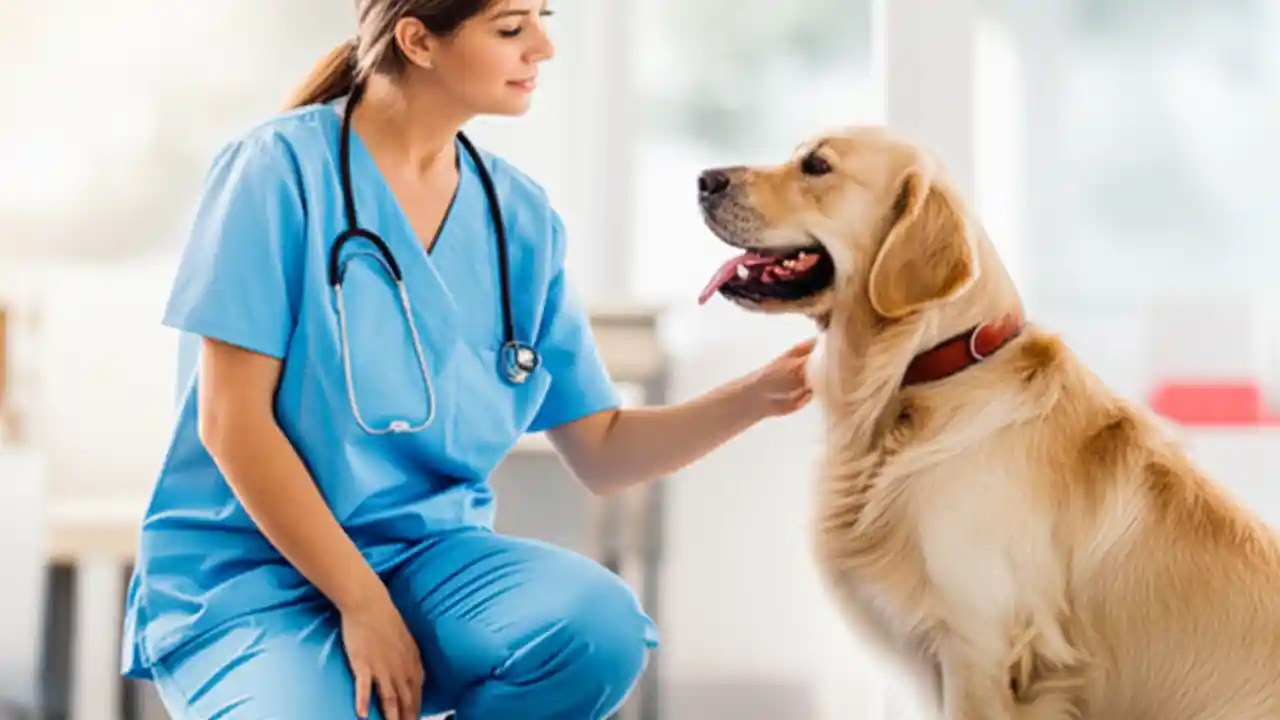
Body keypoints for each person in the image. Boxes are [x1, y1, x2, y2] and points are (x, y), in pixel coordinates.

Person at [119, 1, 815, 718]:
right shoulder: (276, 171)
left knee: (597, 629)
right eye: (512, 28)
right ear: (417, 40)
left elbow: (602, 451)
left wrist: (762, 393)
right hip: (252, 578)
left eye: (542, 18)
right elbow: (232, 425)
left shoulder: (518, 217)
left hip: (427, 567)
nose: (543, 47)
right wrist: (364, 607)